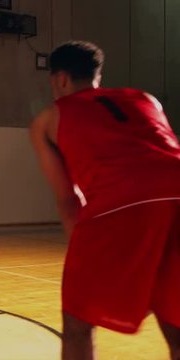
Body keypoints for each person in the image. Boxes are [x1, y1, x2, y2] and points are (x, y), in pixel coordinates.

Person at [30, 40, 180, 360]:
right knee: (176, 321)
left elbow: (68, 198)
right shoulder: (146, 99)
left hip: (121, 203)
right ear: (98, 75)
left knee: (78, 323)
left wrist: (82, 255)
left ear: (60, 79)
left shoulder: (48, 118)